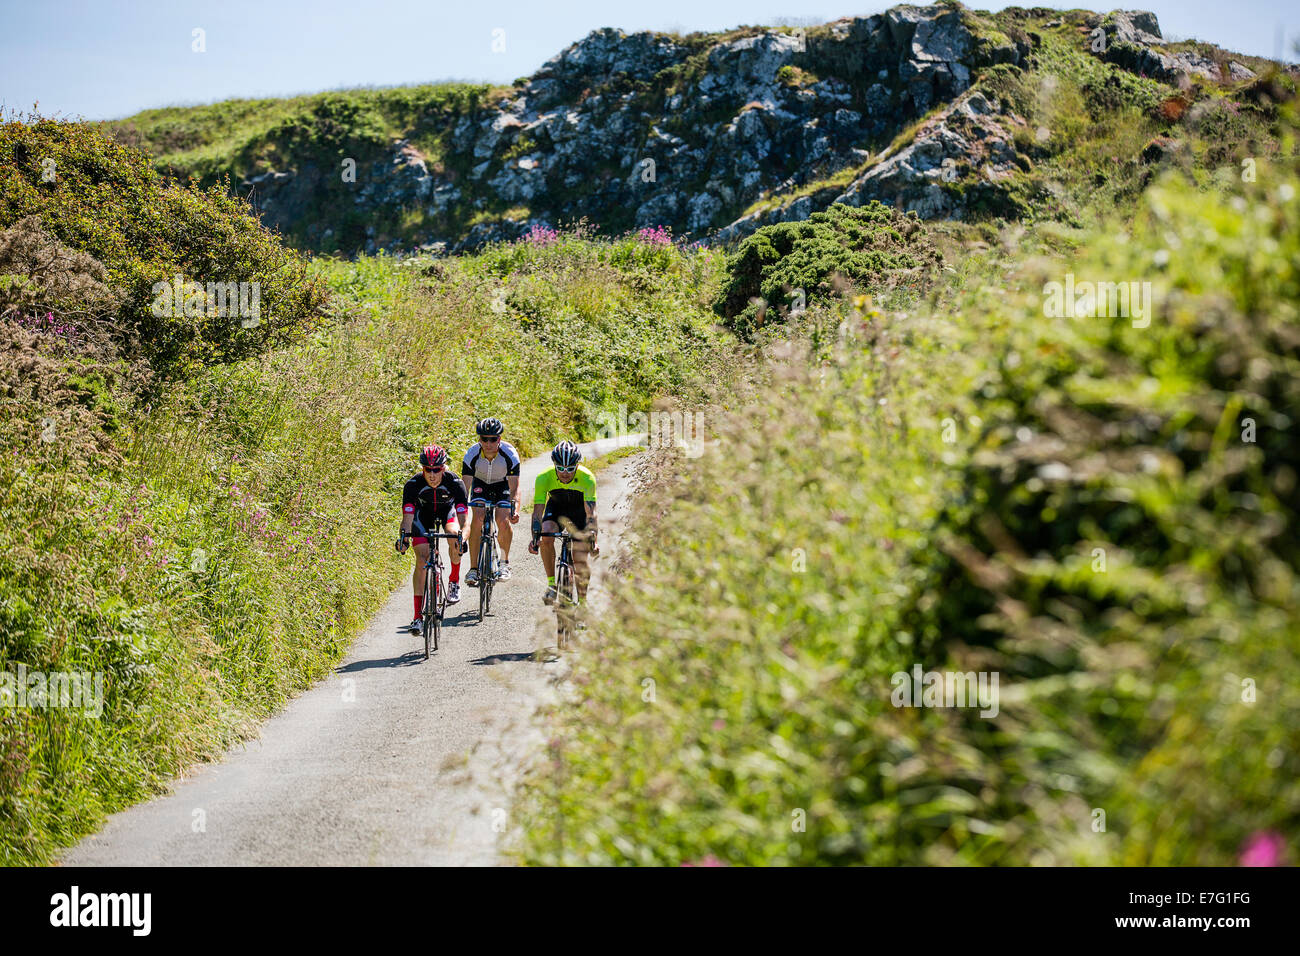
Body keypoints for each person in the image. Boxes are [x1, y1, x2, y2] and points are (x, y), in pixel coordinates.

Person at [396, 444, 467, 631]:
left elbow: (463, 521)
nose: (433, 474)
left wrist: (463, 539)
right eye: (428, 470)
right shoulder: (413, 485)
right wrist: (403, 538)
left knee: (454, 535)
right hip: (423, 516)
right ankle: (417, 617)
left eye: (437, 469)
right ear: (423, 469)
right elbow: (407, 520)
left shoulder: (455, 483)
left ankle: (453, 580)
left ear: (444, 468)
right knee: (421, 558)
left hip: (447, 514)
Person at [528, 440, 599, 606]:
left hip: (579, 512)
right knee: (546, 533)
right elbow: (538, 512)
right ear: (554, 465)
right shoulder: (543, 478)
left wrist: (593, 539)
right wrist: (535, 538)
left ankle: (583, 602)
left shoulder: (587, 478)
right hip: (557, 508)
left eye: (570, 468)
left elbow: (591, 513)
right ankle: (552, 584)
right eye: (560, 468)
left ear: (577, 465)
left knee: (580, 557)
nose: (565, 473)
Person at [461, 417, 521, 585]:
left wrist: (514, 508)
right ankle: (473, 569)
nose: (488, 443)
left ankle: (504, 563)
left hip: (502, 485)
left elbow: (515, 488)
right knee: (478, 519)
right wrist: (461, 509)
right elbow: (465, 487)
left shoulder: (510, 455)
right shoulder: (471, 454)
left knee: (503, 520)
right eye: (484, 439)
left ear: (499, 439)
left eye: (493, 439)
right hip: (480, 485)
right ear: (479, 439)